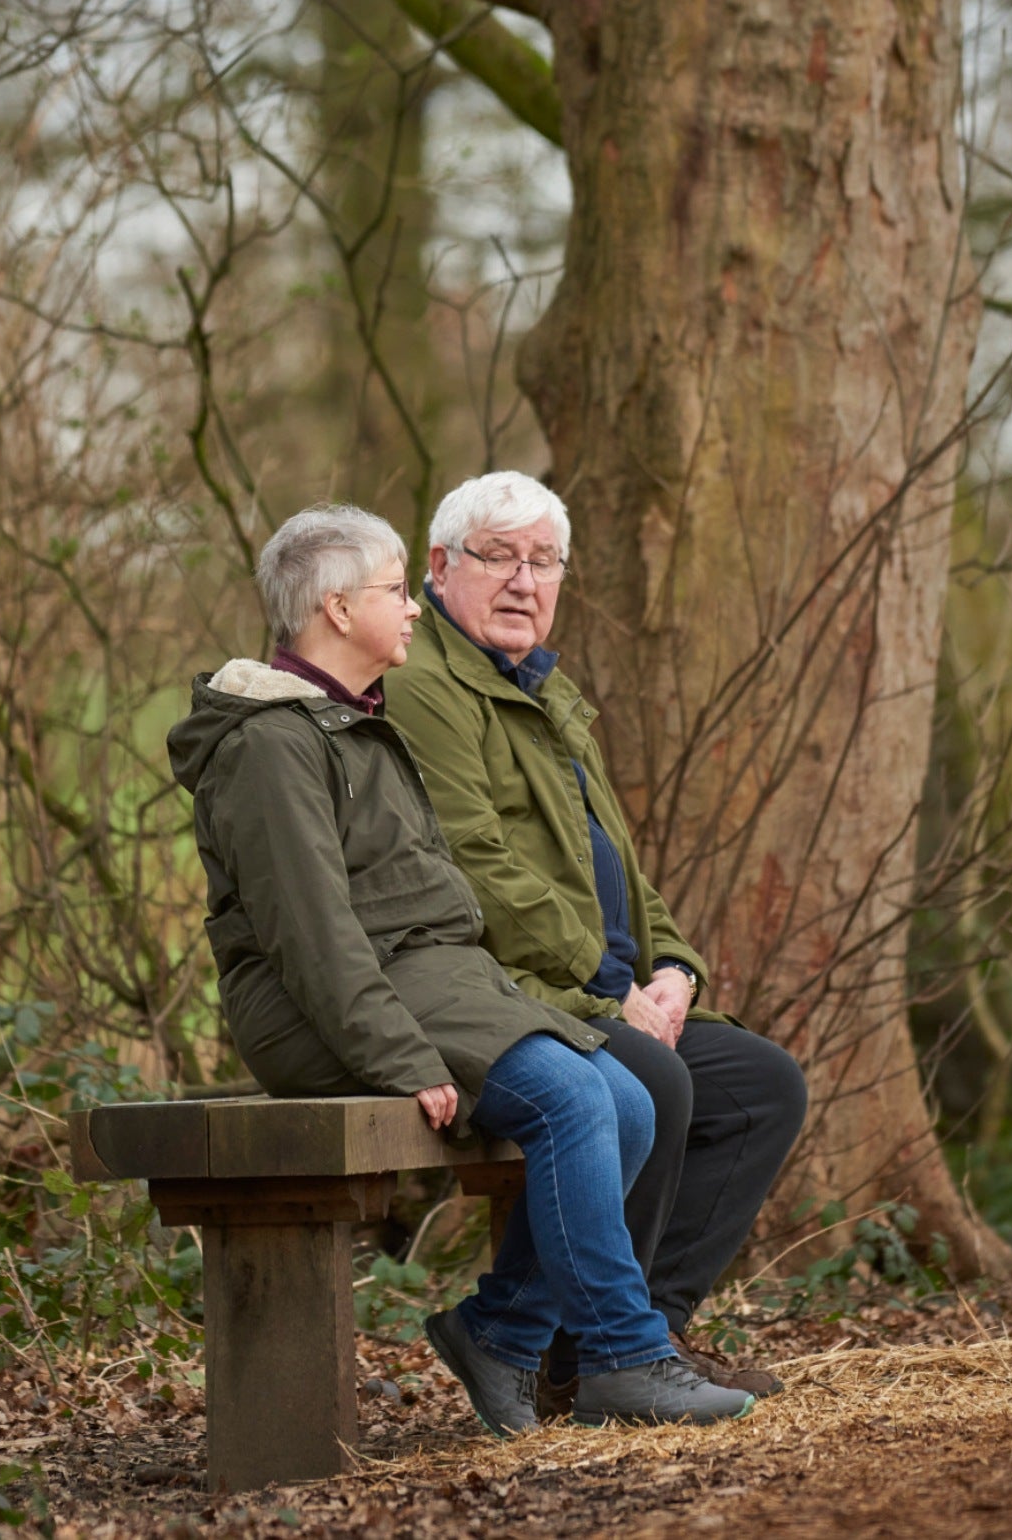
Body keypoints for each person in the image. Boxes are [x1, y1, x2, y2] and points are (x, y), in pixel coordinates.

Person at [165, 503, 754, 1432]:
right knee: (571, 1098)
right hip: (328, 1009)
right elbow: (314, 937)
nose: (412, 611)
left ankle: (502, 1335)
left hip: (429, 983)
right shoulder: (271, 746)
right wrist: (402, 1056)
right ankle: (624, 1358)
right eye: (397, 591)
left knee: (631, 1100)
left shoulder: (351, 722)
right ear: (334, 607)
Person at [385, 471, 808, 1410]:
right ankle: (605, 1353)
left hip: (598, 984)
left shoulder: (541, 684)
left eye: (543, 561)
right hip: (510, 991)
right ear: (441, 567)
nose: (523, 581)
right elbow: (476, 863)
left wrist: (670, 967)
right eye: (498, 557)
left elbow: (611, 857)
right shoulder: (425, 688)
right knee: (654, 1079)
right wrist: (602, 981)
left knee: (761, 1087)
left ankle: (638, 1335)